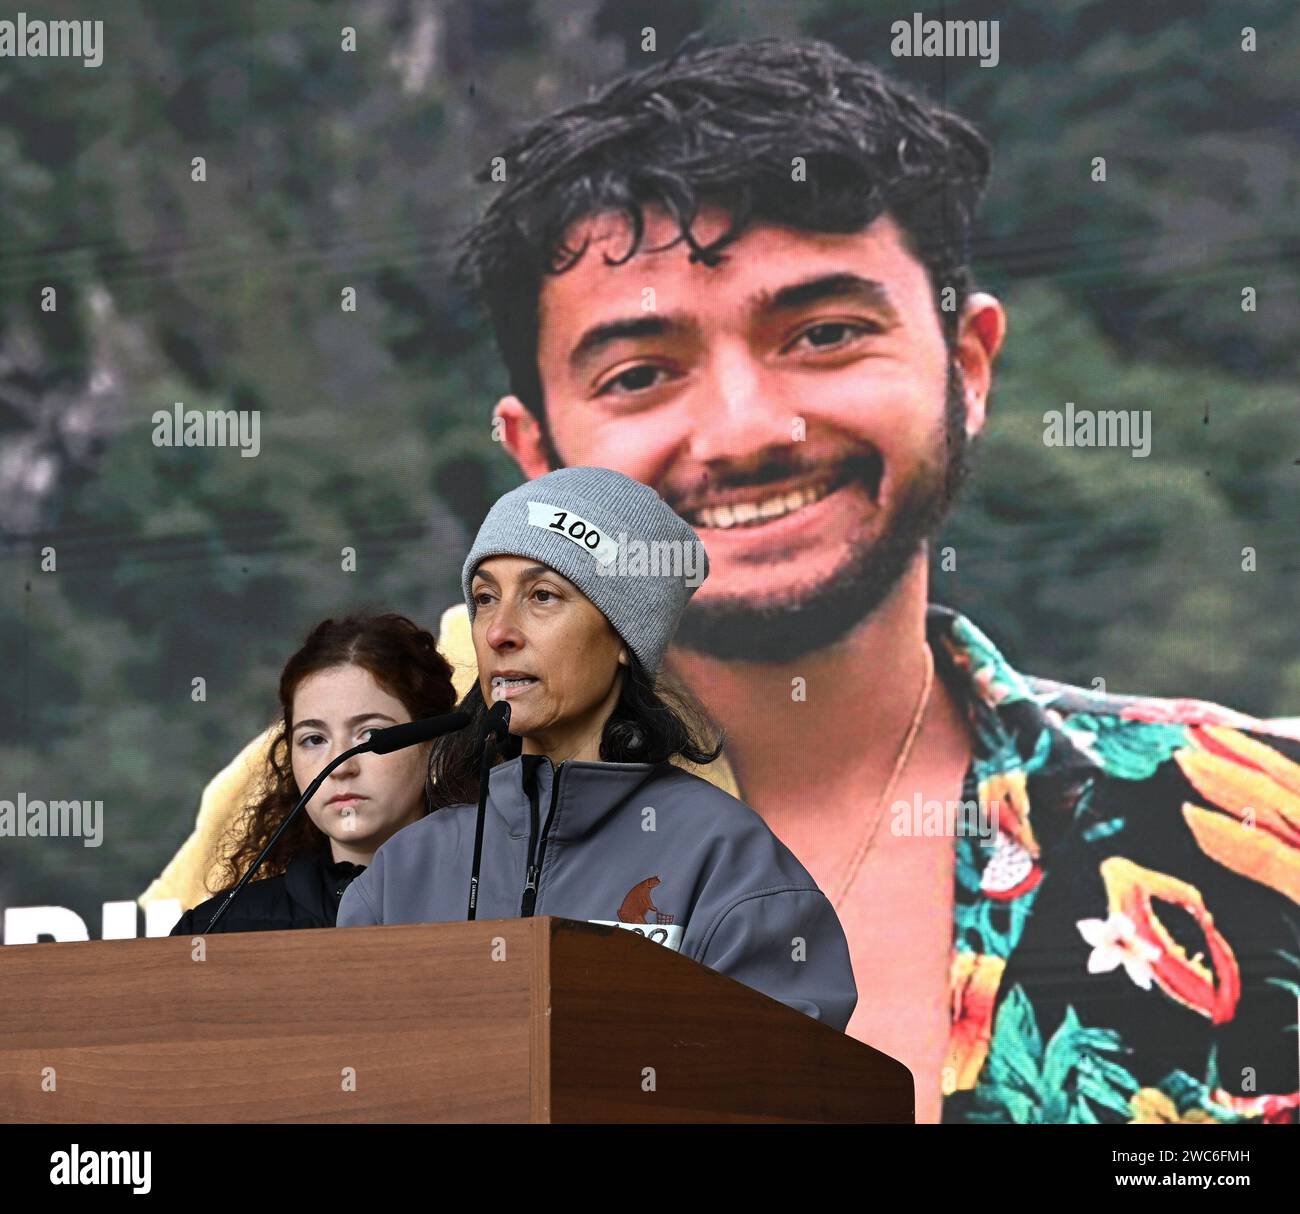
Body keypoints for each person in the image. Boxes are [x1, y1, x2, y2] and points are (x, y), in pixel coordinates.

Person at [145, 38, 1300, 1122]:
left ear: (967, 365)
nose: (745, 429)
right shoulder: (338, 820)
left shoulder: (1258, 825)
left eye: (824, 333)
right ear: (540, 457)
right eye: (643, 372)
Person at [337, 466, 858, 1032]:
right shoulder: (402, 870)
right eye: (484, 598)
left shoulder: (729, 861)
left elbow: (787, 1090)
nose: (497, 632)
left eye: (542, 595)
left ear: (623, 640)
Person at [170, 613, 456, 935]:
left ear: (433, 745)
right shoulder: (217, 930)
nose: (341, 766)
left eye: (370, 734)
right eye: (314, 739)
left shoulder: (498, 904)